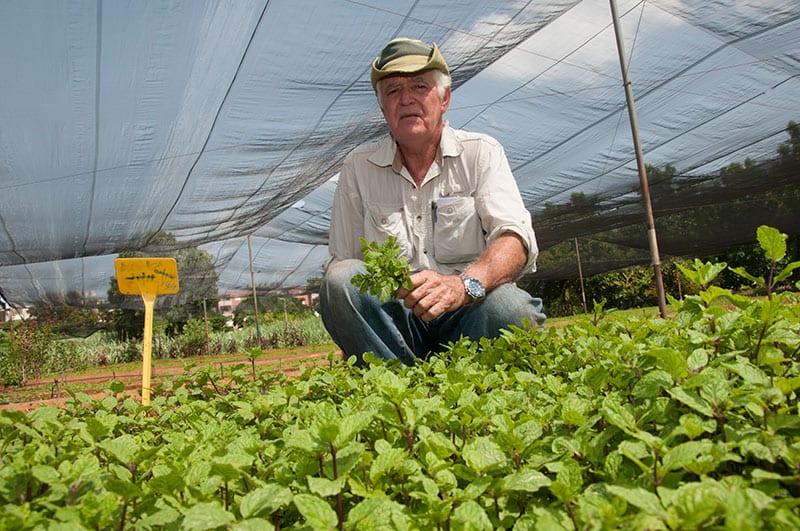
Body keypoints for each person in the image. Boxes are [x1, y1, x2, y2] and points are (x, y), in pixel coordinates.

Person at [319, 37, 545, 365]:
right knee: (340, 279)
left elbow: (515, 239)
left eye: (419, 86)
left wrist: (463, 286)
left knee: (511, 310)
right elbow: (345, 265)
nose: (406, 99)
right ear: (383, 108)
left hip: (468, 308)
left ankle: (465, 376)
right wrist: (355, 333)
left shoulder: (481, 152)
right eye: (392, 90)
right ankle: (396, 380)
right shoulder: (358, 167)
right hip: (399, 323)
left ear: (444, 98)